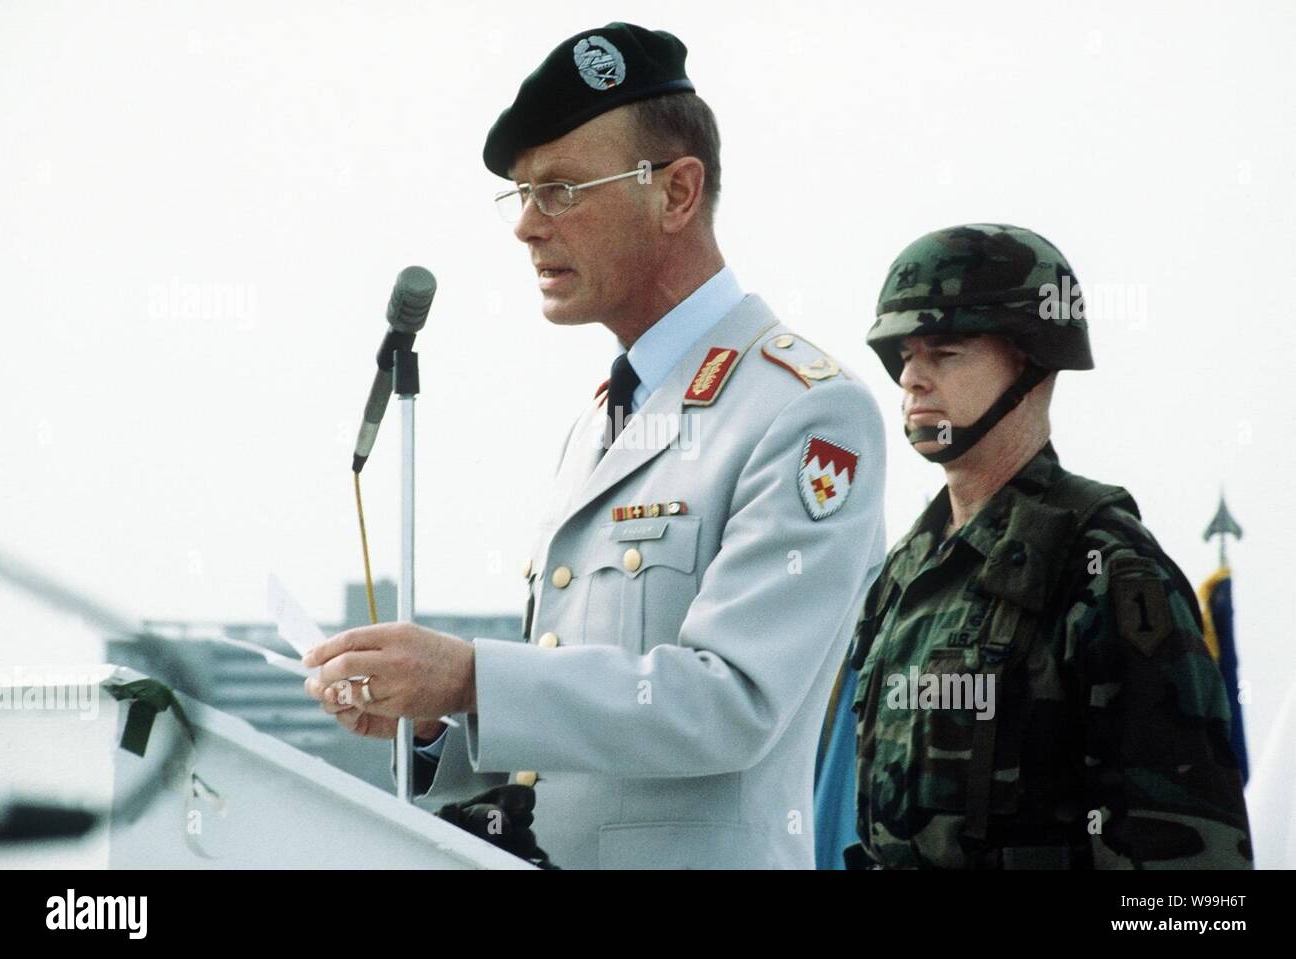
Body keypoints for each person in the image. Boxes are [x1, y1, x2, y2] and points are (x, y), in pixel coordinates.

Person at [302, 21, 887, 869]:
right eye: (522, 193)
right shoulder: (599, 425)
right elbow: (566, 745)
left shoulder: (805, 413)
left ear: (676, 193)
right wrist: (434, 716)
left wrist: (470, 676)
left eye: (562, 189)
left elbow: (733, 701)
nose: (527, 227)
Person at [845, 223, 1252, 869]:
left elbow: (1189, 868)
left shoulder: (1106, 570)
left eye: (946, 352)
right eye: (905, 355)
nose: (912, 378)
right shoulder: (906, 571)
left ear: (1031, 361)